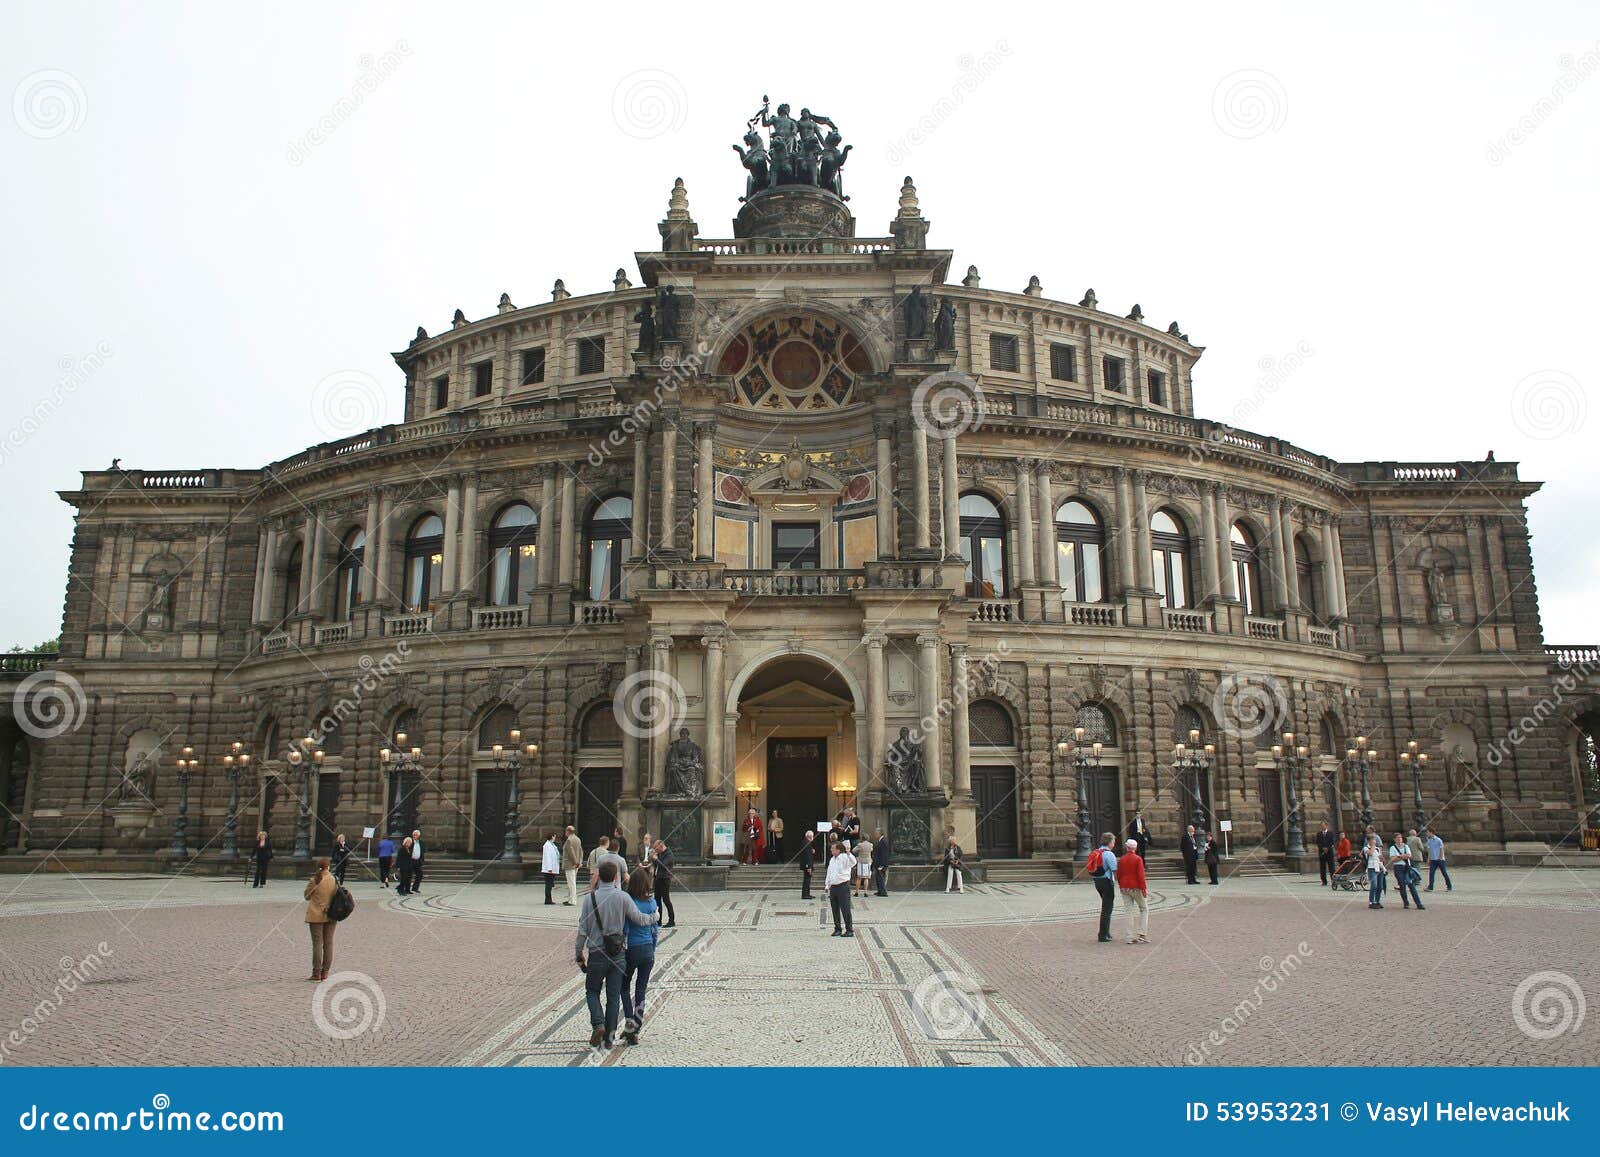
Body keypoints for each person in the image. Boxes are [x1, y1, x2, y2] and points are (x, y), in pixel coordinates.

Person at [575, 858, 659, 1049]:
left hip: (597, 953)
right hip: (618, 954)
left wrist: (578, 953)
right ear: (615, 877)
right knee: (613, 995)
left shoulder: (590, 898)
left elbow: (582, 930)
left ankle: (598, 1024)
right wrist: (655, 917)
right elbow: (639, 919)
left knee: (592, 990)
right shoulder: (623, 897)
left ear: (598, 878)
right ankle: (609, 1038)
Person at [619, 866, 659, 1045]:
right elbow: (654, 930)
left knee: (624, 986)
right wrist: (652, 947)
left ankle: (629, 1021)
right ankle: (637, 1023)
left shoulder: (629, 902)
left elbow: (625, 929)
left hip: (632, 949)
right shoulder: (652, 902)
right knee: (641, 989)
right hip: (648, 949)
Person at [303, 856, 338, 981]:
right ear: (328, 867)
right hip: (331, 915)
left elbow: (306, 896)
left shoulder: (315, 880)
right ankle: (325, 971)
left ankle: (316, 972)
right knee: (328, 943)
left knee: (317, 944)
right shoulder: (333, 879)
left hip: (316, 915)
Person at [1116, 838, 1149, 944]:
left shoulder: (1122, 859)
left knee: (1128, 911)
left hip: (1124, 887)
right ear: (1135, 848)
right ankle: (1142, 933)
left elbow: (1119, 874)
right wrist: (1143, 888)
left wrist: (1121, 885)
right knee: (1144, 908)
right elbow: (1141, 875)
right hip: (1136, 887)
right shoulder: (1138, 859)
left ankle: (1129, 936)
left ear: (1127, 848)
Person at [1088, 832, 1118, 943]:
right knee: (1107, 909)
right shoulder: (1109, 854)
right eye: (1113, 842)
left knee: (1106, 907)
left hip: (1097, 881)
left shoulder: (1096, 852)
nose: (1114, 844)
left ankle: (1106, 932)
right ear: (1110, 842)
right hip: (1107, 882)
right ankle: (1103, 934)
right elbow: (1115, 870)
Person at [825, 840, 856, 936]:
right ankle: (837, 928)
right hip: (833, 886)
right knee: (835, 908)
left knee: (845, 908)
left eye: (833, 849)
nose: (831, 850)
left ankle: (849, 930)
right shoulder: (832, 859)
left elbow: (853, 862)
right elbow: (829, 872)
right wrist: (827, 884)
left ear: (838, 850)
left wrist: (848, 853)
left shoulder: (844, 857)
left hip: (843, 885)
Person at [1389, 831, 1425, 910]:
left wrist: (1399, 856)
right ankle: (1406, 903)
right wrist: (1402, 856)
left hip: (1406, 867)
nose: (1399, 839)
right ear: (1394, 839)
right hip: (1398, 868)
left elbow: (1409, 856)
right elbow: (1393, 859)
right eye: (1398, 838)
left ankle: (1418, 903)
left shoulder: (1406, 846)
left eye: (1400, 838)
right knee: (1402, 886)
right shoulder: (1392, 848)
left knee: (1411, 885)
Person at [652, 839, 676, 927]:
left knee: (666, 900)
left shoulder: (669, 854)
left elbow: (664, 865)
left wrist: (656, 859)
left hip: (664, 879)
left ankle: (671, 920)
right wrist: (654, 858)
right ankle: (658, 920)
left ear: (661, 846)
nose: (656, 851)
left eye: (657, 849)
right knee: (657, 900)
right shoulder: (660, 853)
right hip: (657, 878)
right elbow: (656, 865)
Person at [562, 825, 583, 906]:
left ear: (568, 831)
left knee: (571, 883)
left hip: (570, 865)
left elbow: (571, 853)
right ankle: (570, 899)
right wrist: (579, 862)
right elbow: (581, 851)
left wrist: (575, 862)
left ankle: (572, 901)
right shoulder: (578, 839)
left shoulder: (569, 840)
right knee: (572, 883)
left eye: (566, 831)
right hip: (576, 865)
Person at [1364, 833, 1386, 909]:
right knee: (1374, 884)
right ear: (1369, 841)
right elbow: (1370, 853)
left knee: (1380, 886)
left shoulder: (1377, 849)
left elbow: (1379, 858)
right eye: (1373, 840)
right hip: (1371, 868)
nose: (1374, 841)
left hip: (1379, 868)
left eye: (1374, 840)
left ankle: (1377, 901)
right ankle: (1371, 902)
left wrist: (1382, 859)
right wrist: (1373, 846)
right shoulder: (1366, 848)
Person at [541, 831, 561, 905]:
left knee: (550, 884)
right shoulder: (547, 845)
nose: (555, 838)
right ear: (552, 836)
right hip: (549, 869)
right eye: (554, 836)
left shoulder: (552, 845)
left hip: (552, 868)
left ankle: (549, 899)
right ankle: (548, 900)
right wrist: (549, 868)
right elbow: (548, 857)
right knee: (548, 884)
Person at [872, 827, 891, 896]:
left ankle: (883, 892)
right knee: (878, 878)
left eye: (876, 833)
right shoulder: (880, 840)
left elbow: (884, 854)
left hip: (881, 863)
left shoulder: (883, 841)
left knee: (881, 878)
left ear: (879, 834)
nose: (874, 834)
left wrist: (882, 865)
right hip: (878, 863)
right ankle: (880, 891)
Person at [799, 829, 817, 899]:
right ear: (809, 837)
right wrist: (809, 866)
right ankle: (805, 894)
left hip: (806, 864)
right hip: (807, 865)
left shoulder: (805, 842)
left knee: (807, 880)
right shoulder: (807, 843)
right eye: (812, 837)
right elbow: (807, 856)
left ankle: (807, 893)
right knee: (807, 880)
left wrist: (812, 850)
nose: (813, 838)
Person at [409, 829, 425, 895]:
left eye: (416, 835)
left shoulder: (421, 843)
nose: (414, 836)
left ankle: (415, 888)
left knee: (419, 875)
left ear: (419, 836)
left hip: (417, 861)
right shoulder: (410, 842)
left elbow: (422, 852)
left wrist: (422, 861)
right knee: (408, 875)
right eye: (414, 835)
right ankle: (406, 888)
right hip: (411, 861)